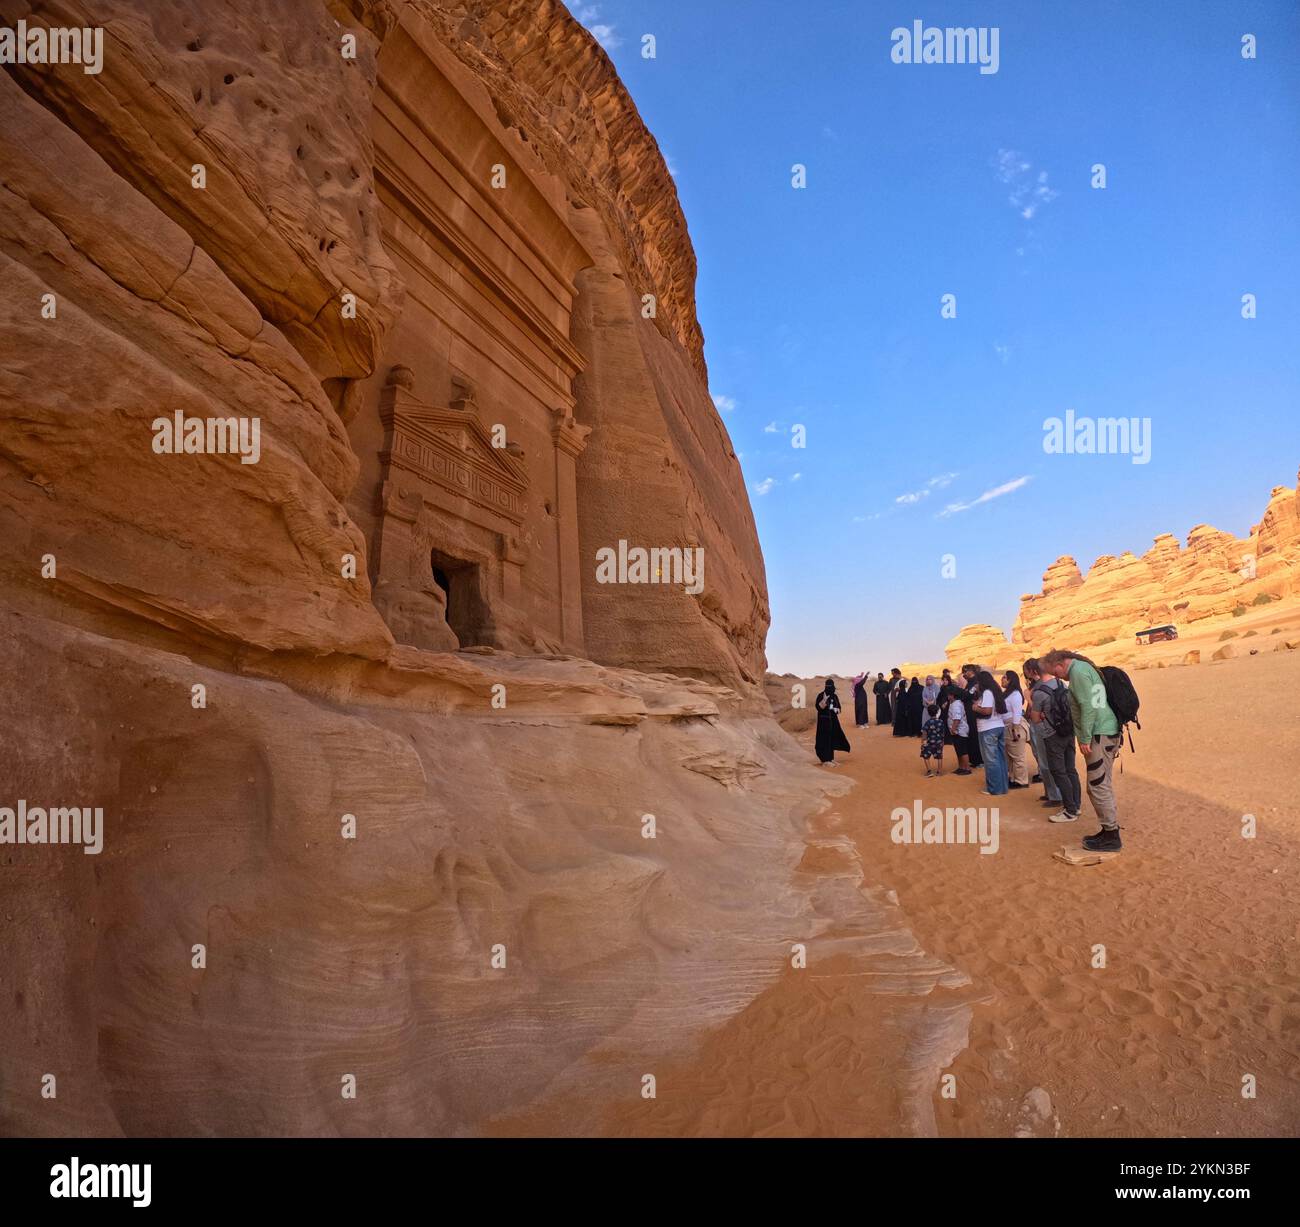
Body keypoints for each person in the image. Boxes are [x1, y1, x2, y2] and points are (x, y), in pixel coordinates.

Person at [1041, 650, 1122, 851]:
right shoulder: (1083, 669)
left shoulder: (1077, 672)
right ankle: (1108, 830)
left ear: (1060, 664)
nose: (1058, 677)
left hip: (1099, 734)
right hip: (1104, 732)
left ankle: (1111, 835)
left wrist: (1084, 737)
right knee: (1101, 784)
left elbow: (1088, 707)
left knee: (1097, 786)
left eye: (1056, 673)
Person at [1024, 657, 1082, 824]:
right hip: (1068, 732)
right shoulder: (1060, 684)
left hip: (1051, 734)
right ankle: (1076, 805)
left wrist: (1031, 700)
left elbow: (1035, 718)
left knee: (1058, 771)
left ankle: (1069, 810)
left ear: (1035, 672)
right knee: (1071, 769)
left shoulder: (1040, 692)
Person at [971, 669, 1009, 795]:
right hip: (998, 726)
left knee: (991, 760)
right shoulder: (994, 691)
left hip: (988, 729)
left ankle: (994, 789)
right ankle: (1002, 786)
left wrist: (976, 707)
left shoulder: (987, 692)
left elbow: (987, 711)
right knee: (999, 758)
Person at [1001, 669, 1031, 789]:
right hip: (1008, 727)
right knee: (1011, 755)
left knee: (1018, 756)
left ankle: (1021, 781)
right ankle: (1014, 778)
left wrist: (1015, 731)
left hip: (1014, 727)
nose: (1002, 679)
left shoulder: (1015, 695)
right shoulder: (1008, 694)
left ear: (1010, 680)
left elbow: (1017, 713)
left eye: (1004, 677)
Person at [814, 678, 852, 766]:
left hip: (833, 722)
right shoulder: (821, 695)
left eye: (831, 686)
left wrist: (834, 709)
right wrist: (824, 702)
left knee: (832, 739)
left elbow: (839, 709)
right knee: (823, 739)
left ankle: (830, 758)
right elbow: (818, 707)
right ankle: (825, 760)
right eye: (828, 686)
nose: (829, 688)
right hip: (823, 723)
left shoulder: (834, 696)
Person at [946, 684, 973, 774]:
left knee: (963, 750)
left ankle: (967, 768)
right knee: (959, 750)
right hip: (958, 731)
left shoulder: (956, 705)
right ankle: (961, 767)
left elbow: (957, 718)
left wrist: (953, 729)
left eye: (949, 694)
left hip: (959, 731)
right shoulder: (954, 703)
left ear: (952, 695)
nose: (948, 696)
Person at [961, 664, 984, 769]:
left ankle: (979, 760)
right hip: (969, 712)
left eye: (966, 671)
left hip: (974, 713)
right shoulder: (969, 683)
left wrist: (967, 694)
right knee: (971, 735)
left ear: (971, 671)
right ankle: (974, 759)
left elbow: (969, 695)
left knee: (975, 735)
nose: (964, 673)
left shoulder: (976, 682)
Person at [921, 703, 945, 776]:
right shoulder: (941, 722)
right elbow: (943, 733)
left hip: (929, 742)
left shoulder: (927, 722)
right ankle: (939, 771)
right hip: (939, 742)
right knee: (939, 756)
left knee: (925, 755)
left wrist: (923, 741)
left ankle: (929, 771)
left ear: (928, 713)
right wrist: (942, 741)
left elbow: (924, 733)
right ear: (937, 712)